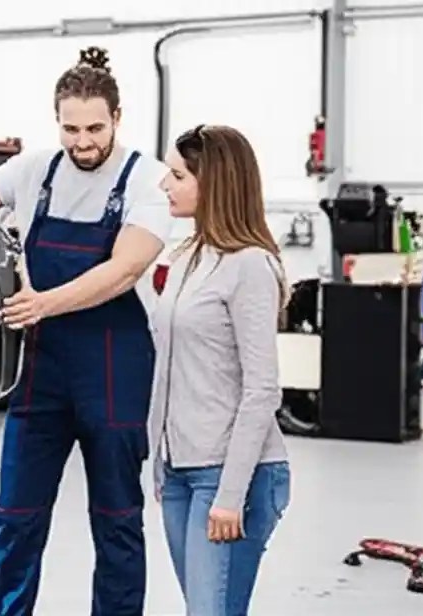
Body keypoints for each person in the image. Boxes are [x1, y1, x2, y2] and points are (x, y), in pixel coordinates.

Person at [0, 46, 173, 615]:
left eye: (94, 127)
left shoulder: (147, 180)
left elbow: (124, 269)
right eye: (70, 128)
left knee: (117, 520)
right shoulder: (36, 169)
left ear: (118, 119)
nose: (82, 141)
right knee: (16, 517)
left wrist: (43, 304)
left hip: (113, 368)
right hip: (40, 375)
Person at [148, 124, 292, 615]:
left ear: (213, 183)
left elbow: (263, 390)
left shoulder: (250, 265)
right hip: (179, 470)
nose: (165, 184)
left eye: (177, 175)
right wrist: (157, 460)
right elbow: (168, 365)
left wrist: (230, 495)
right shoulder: (187, 256)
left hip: (231, 475)